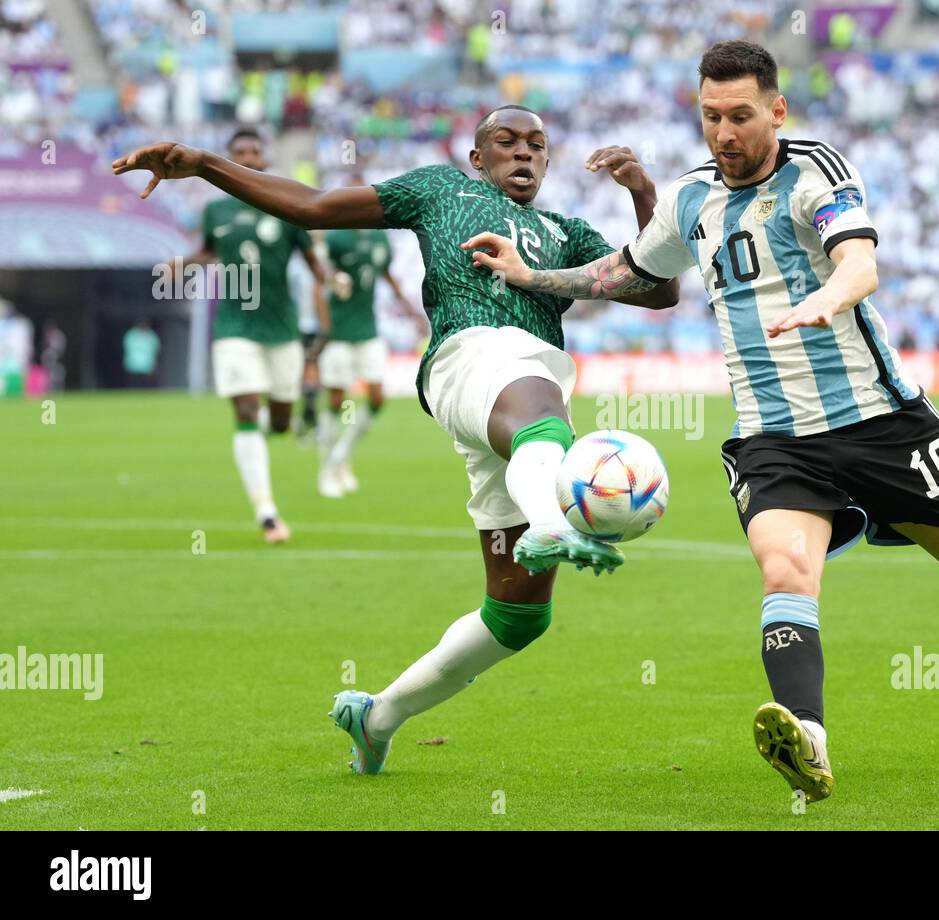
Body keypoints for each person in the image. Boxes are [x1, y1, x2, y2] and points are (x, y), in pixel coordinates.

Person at [465, 41, 939, 804]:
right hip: (773, 440)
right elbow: (635, 271)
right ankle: (810, 737)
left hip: (880, 423)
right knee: (786, 571)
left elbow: (860, 259)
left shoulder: (816, 172)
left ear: (776, 110)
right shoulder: (692, 198)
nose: (724, 134)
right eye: (709, 117)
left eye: (739, 116)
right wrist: (531, 276)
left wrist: (830, 297)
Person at [113, 105, 677, 775]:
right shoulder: (441, 190)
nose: (523, 153)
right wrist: (206, 164)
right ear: (477, 158)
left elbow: (659, 289)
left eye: (537, 145)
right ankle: (554, 520)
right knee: (542, 417)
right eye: (506, 142)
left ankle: (376, 717)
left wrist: (643, 194)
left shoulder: (564, 231)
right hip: (470, 357)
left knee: (519, 616)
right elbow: (314, 206)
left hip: (518, 404)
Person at [185, 128, 332, 543]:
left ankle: (276, 423)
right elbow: (210, 250)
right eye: (240, 152)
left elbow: (310, 258)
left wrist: (329, 279)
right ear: (229, 159)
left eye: (254, 152)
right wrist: (185, 263)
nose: (248, 158)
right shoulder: (216, 211)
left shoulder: (285, 206)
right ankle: (267, 514)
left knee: (280, 422)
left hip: (280, 326)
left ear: (265, 159)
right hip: (233, 325)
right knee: (246, 409)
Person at [315, 190, 426, 497]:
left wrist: (410, 310)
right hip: (338, 333)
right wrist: (333, 279)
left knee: (377, 397)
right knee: (336, 402)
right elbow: (321, 270)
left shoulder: (378, 240)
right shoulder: (336, 239)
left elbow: (386, 274)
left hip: (368, 330)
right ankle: (326, 468)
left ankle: (340, 455)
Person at [123, 318, 161, 388]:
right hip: (133, 365)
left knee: (147, 384)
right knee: (134, 384)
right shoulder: (131, 335)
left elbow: (155, 350)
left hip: (147, 365)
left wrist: (154, 364)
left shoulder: (151, 335)